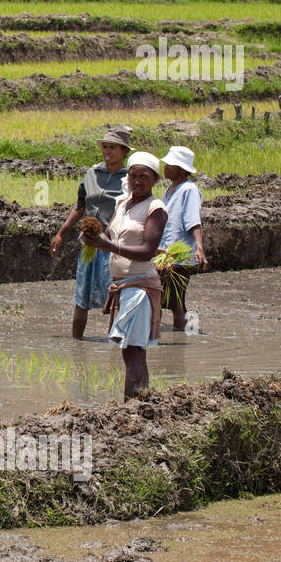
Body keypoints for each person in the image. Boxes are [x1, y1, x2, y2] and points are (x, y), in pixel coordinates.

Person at [82, 151, 168, 398]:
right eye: (133, 175)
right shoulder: (122, 204)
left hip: (140, 288)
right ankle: (144, 402)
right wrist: (92, 238)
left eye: (144, 176)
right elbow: (109, 236)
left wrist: (111, 247)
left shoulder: (155, 208)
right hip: (121, 286)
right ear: (127, 177)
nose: (137, 181)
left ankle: (131, 409)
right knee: (130, 351)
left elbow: (148, 250)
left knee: (134, 352)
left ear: (154, 180)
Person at [51, 126, 131, 339]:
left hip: (112, 246)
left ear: (124, 151)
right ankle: (77, 344)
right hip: (88, 244)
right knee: (81, 298)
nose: (107, 151)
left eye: (112, 148)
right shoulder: (91, 174)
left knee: (115, 296)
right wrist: (61, 232)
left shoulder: (129, 179)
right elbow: (79, 206)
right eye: (105, 147)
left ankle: (116, 344)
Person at [158, 146, 208, 332]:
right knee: (171, 299)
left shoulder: (189, 190)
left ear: (180, 168)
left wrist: (199, 247)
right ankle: (190, 332)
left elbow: (193, 221)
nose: (165, 167)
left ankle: (186, 337)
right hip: (166, 252)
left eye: (170, 164)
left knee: (176, 300)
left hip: (179, 256)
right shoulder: (170, 189)